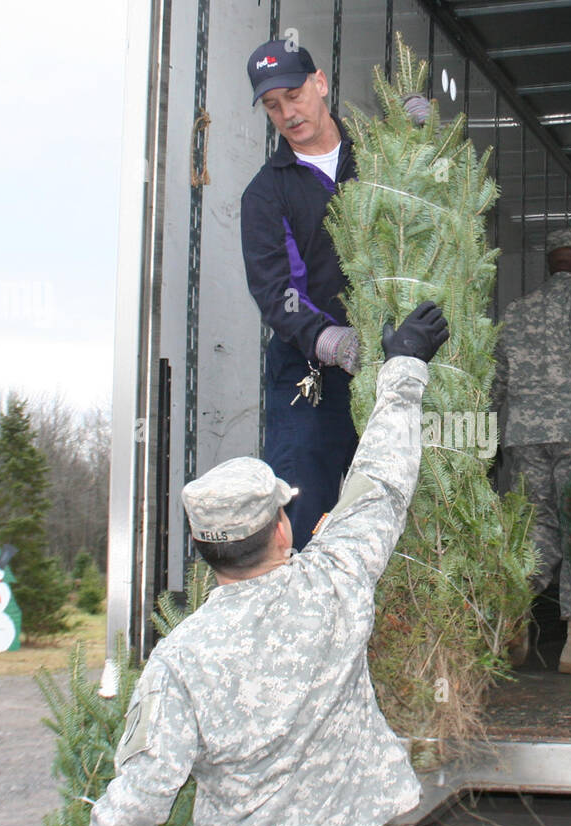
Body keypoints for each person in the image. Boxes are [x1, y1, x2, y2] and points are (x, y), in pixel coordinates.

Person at [82, 302, 450, 826]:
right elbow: (381, 478)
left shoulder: (179, 661)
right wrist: (402, 366)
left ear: (203, 553)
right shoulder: (336, 580)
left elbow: (135, 807)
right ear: (282, 526)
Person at [240, 39, 361, 551]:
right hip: (308, 379)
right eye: (273, 105)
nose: (288, 113)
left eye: (294, 95)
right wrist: (327, 339)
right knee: (302, 510)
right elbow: (276, 292)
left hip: (393, 365)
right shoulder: (266, 193)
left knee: (397, 505)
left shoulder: (376, 159)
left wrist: (421, 140)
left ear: (320, 83)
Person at [493, 227, 571, 674]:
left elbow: (496, 381)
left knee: (536, 530)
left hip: (524, 437)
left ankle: (511, 612)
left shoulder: (516, 309)